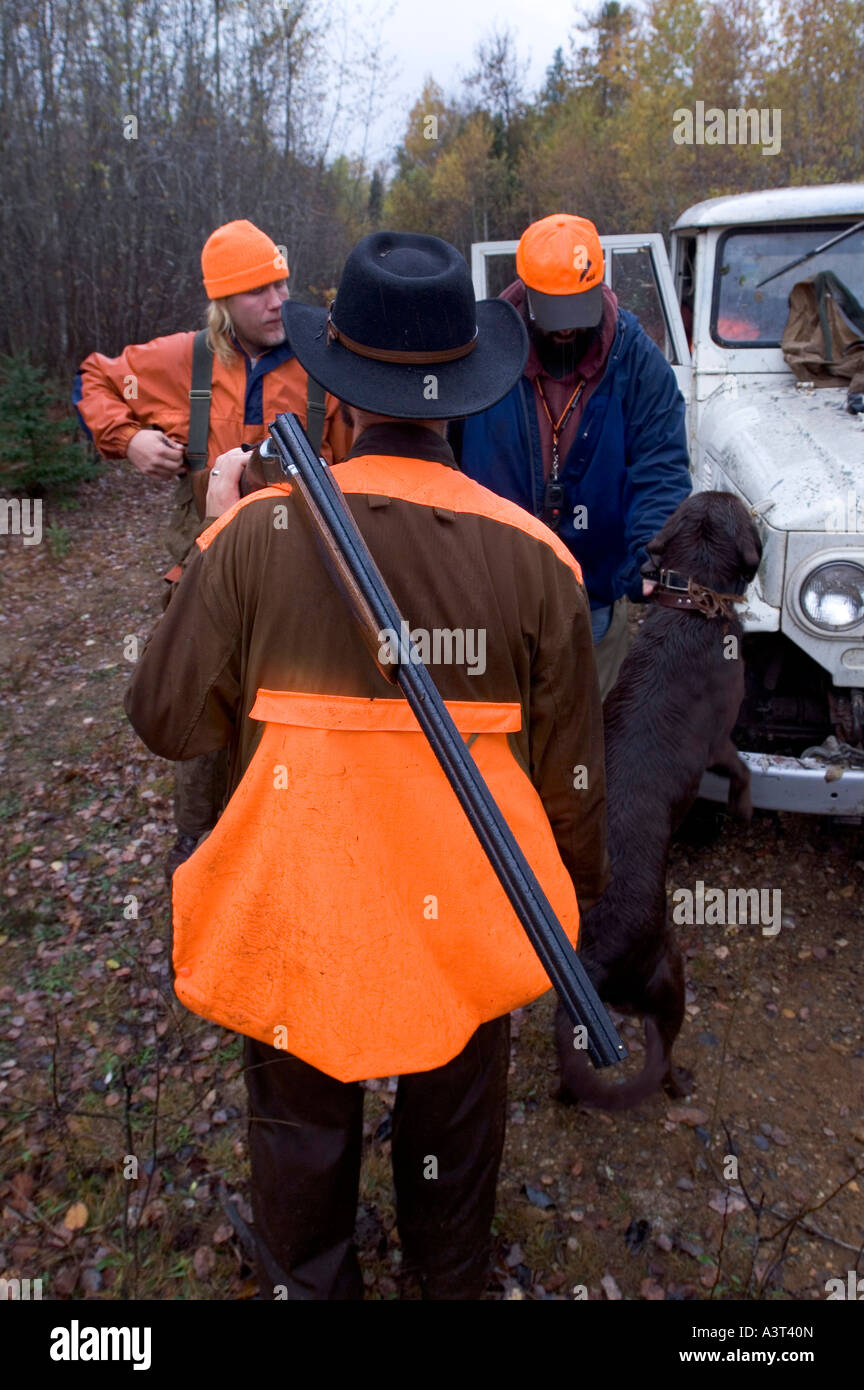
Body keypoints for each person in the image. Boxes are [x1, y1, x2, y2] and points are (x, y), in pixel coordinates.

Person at [124, 230, 609, 1300]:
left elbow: (162, 715)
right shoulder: (542, 562)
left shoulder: (254, 537)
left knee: (298, 1130)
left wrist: (212, 542)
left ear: (335, 389)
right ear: (463, 402)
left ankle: (315, 1280)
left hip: (299, 904)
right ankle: (447, 1277)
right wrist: (571, 896)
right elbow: (574, 783)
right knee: (455, 1125)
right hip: (475, 913)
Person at [75, 219, 350, 870]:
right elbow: (97, 376)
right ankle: (198, 848)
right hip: (204, 579)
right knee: (200, 718)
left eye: (281, 282)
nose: (278, 300)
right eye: (258, 290)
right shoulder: (185, 360)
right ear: (223, 302)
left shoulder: (325, 360)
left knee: (291, 724)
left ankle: (289, 848)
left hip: (301, 584)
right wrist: (129, 437)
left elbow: (362, 460)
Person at [453, 212, 692, 698]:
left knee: (591, 740)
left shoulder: (639, 362)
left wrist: (651, 555)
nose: (566, 331)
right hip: (491, 597)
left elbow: (661, 468)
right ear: (524, 290)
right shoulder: (476, 353)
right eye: (554, 314)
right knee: (498, 742)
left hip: (594, 595)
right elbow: (438, 455)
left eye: (577, 313)